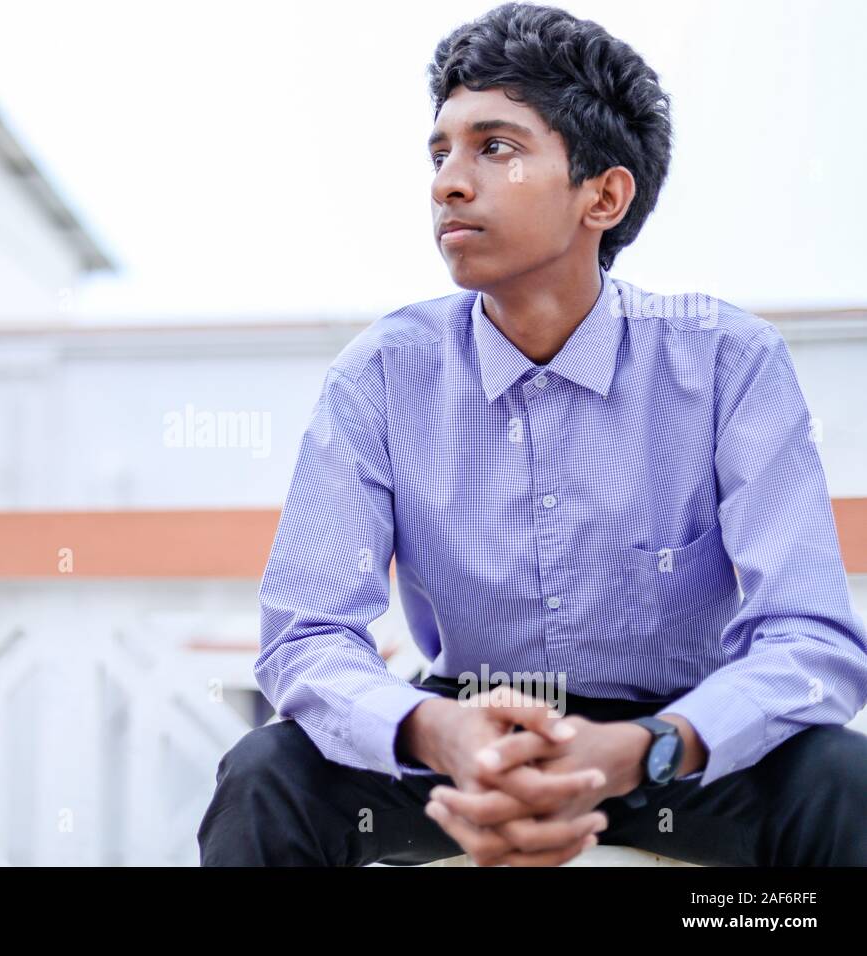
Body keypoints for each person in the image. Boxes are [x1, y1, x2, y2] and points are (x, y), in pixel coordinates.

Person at [198, 2, 867, 867]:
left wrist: (646, 748)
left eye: (495, 147)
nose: (446, 181)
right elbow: (308, 636)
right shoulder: (380, 375)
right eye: (439, 152)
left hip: (673, 745)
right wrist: (438, 734)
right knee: (265, 775)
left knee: (843, 782)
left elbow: (810, 638)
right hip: (457, 733)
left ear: (604, 194)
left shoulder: (728, 363)